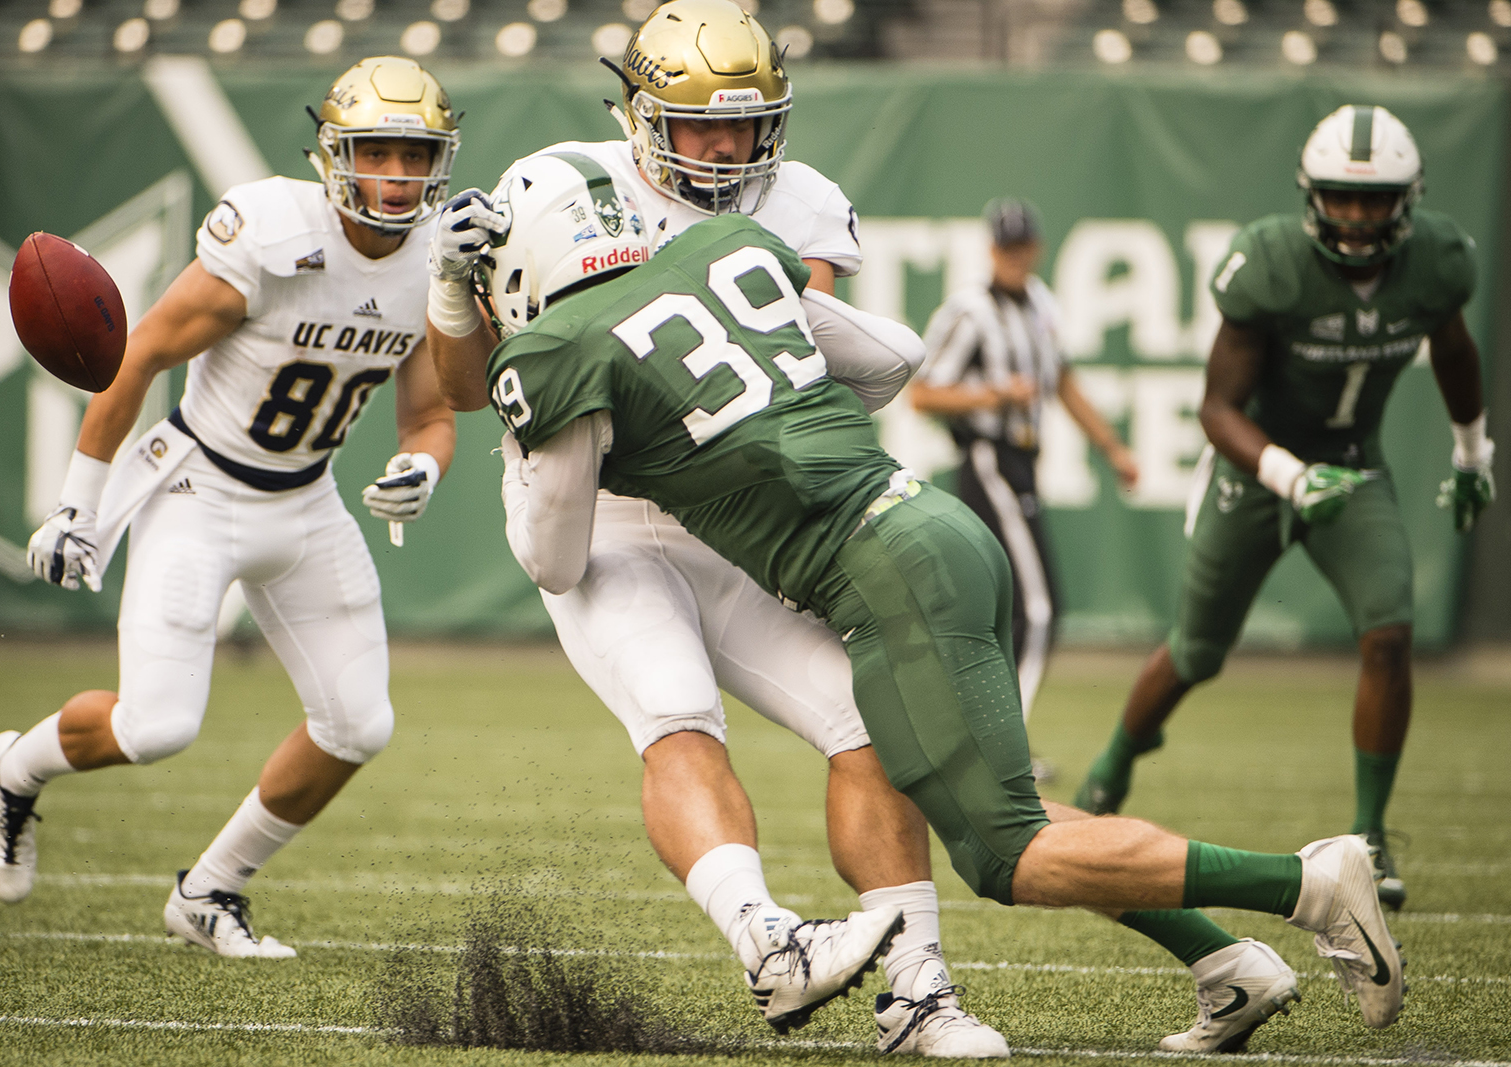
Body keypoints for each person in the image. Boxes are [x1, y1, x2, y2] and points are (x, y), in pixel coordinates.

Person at [476, 159, 1406, 1053]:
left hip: (881, 573)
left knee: (1010, 855)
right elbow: (894, 358)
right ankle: (1227, 963)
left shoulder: (559, 350)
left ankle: (1308, 881)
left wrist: (574, 460)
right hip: (932, 523)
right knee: (983, 797)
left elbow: (555, 559)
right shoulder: (727, 246)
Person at [425, 3, 992, 1052]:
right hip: (600, 516)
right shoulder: (552, 191)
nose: (727, 147)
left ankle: (919, 991)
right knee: (678, 715)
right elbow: (467, 391)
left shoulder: (797, 202)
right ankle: (767, 940)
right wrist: (453, 291)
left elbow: (799, 368)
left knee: (871, 723)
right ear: (639, 113)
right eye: (699, 125)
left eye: (745, 124)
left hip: (729, 508)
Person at [0, 57, 458, 958]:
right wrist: (79, 504)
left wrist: (420, 470)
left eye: (416, 155)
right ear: (335, 154)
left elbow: (429, 414)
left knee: (360, 723)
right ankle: (14, 766)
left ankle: (211, 891)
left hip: (308, 501)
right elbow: (140, 353)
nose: (396, 176)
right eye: (377, 152)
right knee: (155, 726)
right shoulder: (276, 231)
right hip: (199, 488)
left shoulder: (435, 262)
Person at [1073, 105, 1492, 914]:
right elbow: (1217, 407)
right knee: (1196, 651)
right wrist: (1291, 477)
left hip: (1354, 466)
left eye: (1375, 200)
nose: (1360, 217)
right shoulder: (1270, 261)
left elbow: (1455, 348)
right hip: (1257, 470)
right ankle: (1117, 759)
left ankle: (1369, 832)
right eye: (1343, 197)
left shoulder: (1437, 262)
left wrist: (1475, 451)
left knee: (1390, 630)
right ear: (1312, 195)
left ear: (1408, 200)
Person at [911, 198, 1138, 725]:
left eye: (1022, 247)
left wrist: (1113, 449)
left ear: (1035, 248)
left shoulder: (1041, 304)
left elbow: (1061, 382)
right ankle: (1005, 740)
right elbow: (922, 395)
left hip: (1023, 465)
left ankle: (985, 732)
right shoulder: (970, 311)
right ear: (991, 249)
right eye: (1005, 248)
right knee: (1037, 610)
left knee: (1007, 610)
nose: (1014, 257)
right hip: (988, 460)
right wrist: (994, 395)